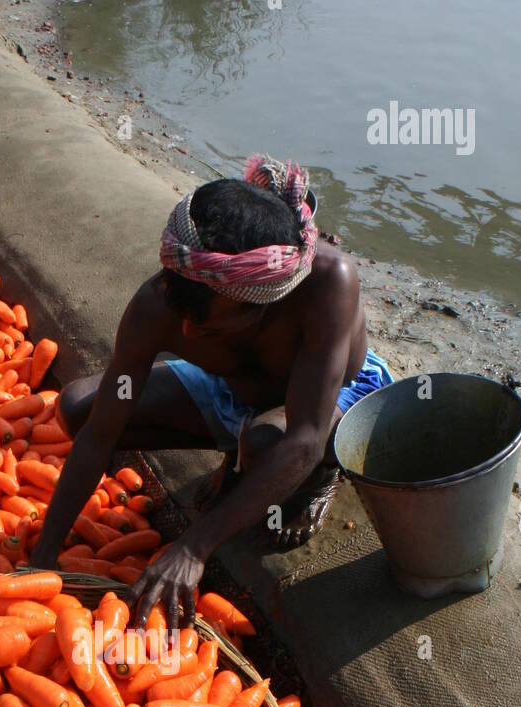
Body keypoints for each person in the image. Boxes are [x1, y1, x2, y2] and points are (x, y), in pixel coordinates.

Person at [30, 156, 392, 628]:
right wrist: (41, 563)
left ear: (261, 299)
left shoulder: (327, 283)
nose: (185, 332)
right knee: (79, 406)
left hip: (329, 397)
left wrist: (193, 548)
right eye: (181, 313)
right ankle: (237, 450)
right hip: (230, 391)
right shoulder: (163, 302)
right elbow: (100, 432)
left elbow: (303, 436)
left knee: (273, 444)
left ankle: (325, 470)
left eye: (204, 323)